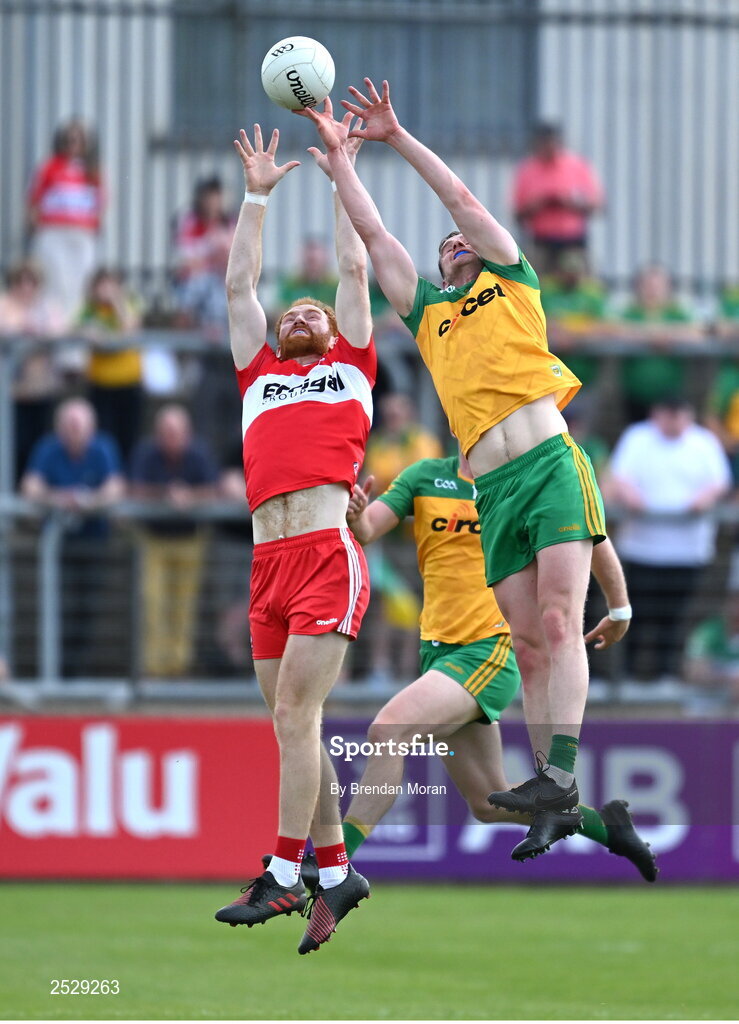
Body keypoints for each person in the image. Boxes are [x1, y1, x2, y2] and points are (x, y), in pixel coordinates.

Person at [303, 83, 606, 858]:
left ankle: (560, 780)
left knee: (554, 620)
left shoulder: (511, 278)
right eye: (444, 246)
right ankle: (550, 786)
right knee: (530, 645)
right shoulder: (430, 316)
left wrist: (396, 138)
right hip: (493, 489)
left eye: (459, 240)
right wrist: (340, 161)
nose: (453, 243)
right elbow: (374, 238)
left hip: (545, 462)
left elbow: (462, 196)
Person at [339, 456, 655, 878]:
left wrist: (620, 607)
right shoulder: (424, 477)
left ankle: (330, 863)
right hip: (438, 652)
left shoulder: (523, 481)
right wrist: (356, 515)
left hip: (491, 647)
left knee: (388, 730)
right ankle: (607, 827)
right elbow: (368, 530)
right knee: (489, 803)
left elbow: (590, 537)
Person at [213, 125, 373, 955]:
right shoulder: (257, 378)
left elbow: (353, 267)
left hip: (323, 556)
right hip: (264, 565)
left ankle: (282, 873)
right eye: (293, 311)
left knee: (293, 713)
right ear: (278, 336)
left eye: (315, 309)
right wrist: (257, 195)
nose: (306, 310)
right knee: (290, 726)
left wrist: (342, 172)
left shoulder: (350, 364)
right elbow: (239, 284)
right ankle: (338, 870)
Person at [603, 396, 731, 687]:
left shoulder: (704, 442)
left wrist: (704, 498)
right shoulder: (637, 438)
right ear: (655, 414)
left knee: (674, 616)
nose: (673, 421)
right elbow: (619, 475)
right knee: (634, 614)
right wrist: (629, 494)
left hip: (687, 550)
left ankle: (666, 675)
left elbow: (720, 481)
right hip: (641, 547)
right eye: (667, 415)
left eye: (679, 414)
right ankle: (629, 677)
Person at [20, 398, 124, 677]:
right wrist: (58, 499)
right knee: (59, 605)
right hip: (57, 546)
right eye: (69, 427)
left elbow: (115, 488)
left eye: (79, 427)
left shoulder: (102, 447)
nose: (74, 433)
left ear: (90, 429)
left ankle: (75, 670)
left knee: (86, 607)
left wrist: (86, 501)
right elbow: (30, 487)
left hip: (93, 542)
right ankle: (57, 670)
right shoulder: (48, 448)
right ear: (59, 428)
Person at [129, 404, 219, 678]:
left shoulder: (198, 454)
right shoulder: (146, 453)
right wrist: (165, 494)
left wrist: (189, 496)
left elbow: (215, 489)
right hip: (154, 540)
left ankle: (177, 668)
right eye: (166, 433)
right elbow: (132, 488)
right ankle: (155, 669)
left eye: (176, 433)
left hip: (190, 541)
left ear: (187, 434)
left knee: (183, 606)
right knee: (153, 603)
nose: (171, 438)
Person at [27, 119, 103, 327]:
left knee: (81, 283)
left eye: (79, 141)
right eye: (69, 140)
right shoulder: (48, 167)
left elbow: (99, 203)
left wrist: (94, 228)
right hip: (53, 231)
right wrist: (36, 226)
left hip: (81, 232)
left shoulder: (92, 171)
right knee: (54, 282)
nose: (73, 145)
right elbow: (34, 199)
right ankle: (54, 327)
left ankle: (76, 327)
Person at [511, 122, 604, 275]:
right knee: (536, 284)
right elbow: (518, 213)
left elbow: (596, 204)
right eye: (544, 143)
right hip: (541, 242)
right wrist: (538, 204)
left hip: (573, 241)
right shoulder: (527, 170)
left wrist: (569, 203)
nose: (549, 148)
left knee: (580, 285)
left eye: (552, 143)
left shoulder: (577, 166)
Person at [78, 267, 143, 465]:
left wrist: (116, 300)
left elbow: (130, 327)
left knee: (128, 434)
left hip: (128, 380)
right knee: (103, 435)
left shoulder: (130, 303)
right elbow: (77, 328)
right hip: (100, 382)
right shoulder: (89, 309)